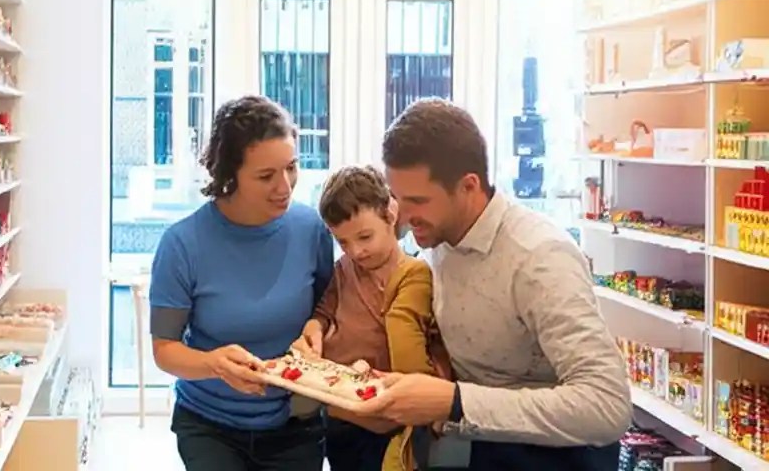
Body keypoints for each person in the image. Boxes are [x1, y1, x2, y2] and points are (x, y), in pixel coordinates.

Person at [355, 99, 632, 470]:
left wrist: (454, 402)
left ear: (469, 186)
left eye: (417, 201)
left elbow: (607, 406)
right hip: (486, 449)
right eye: (396, 199)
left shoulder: (538, 257)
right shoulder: (439, 236)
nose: (401, 218)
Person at [149, 95, 335, 471]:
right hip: (209, 426)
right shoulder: (182, 244)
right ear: (229, 175)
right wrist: (213, 364)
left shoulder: (311, 229)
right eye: (266, 176)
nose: (285, 186)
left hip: (295, 422)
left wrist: (318, 327)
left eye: (292, 168)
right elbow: (165, 349)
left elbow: (327, 309)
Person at [293, 165, 447, 471]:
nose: (356, 252)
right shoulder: (343, 271)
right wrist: (313, 329)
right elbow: (322, 313)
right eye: (344, 243)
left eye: (364, 237)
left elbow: (411, 351)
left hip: (386, 421)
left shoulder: (412, 274)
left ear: (390, 215)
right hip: (340, 415)